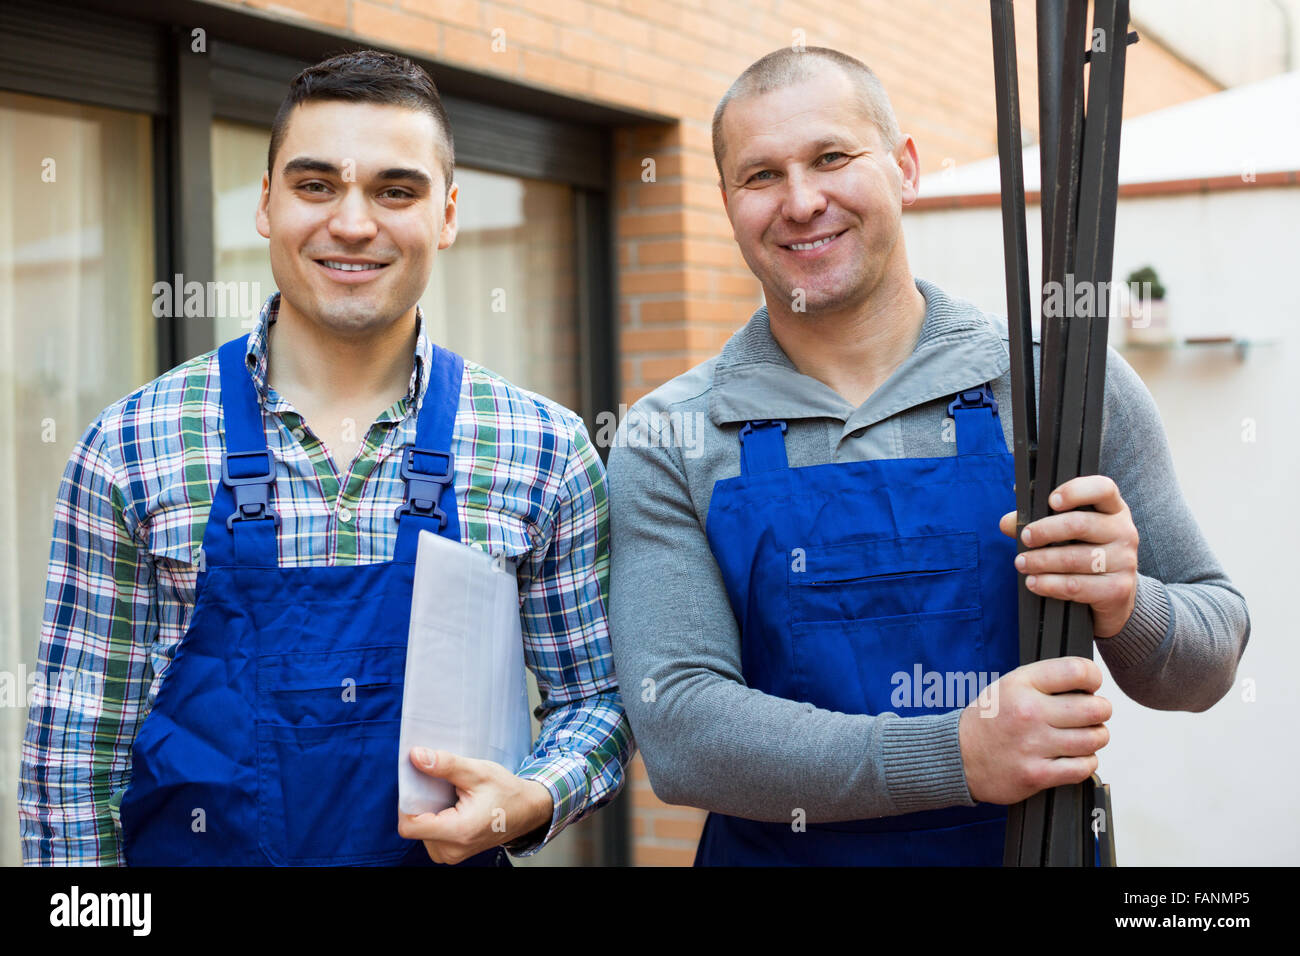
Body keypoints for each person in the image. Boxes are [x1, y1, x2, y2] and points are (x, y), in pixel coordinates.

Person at [606, 47, 1250, 866]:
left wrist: (1128, 603)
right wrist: (958, 755)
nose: (803, 202)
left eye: (832, 157)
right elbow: (685, 733)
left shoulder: (1061, 388)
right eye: (760, 176)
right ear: (728, 202)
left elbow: (1210, 662)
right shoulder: (671, 437)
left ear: (906, 168)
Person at [18, 50, 630, 866]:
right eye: (316, 186)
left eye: (395, 190)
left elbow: (597, 698)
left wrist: (539, 793)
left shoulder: (544, 450)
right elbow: (73, 756)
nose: (352, 222)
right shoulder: (132, 445)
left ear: (447, 215)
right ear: (266, 203)